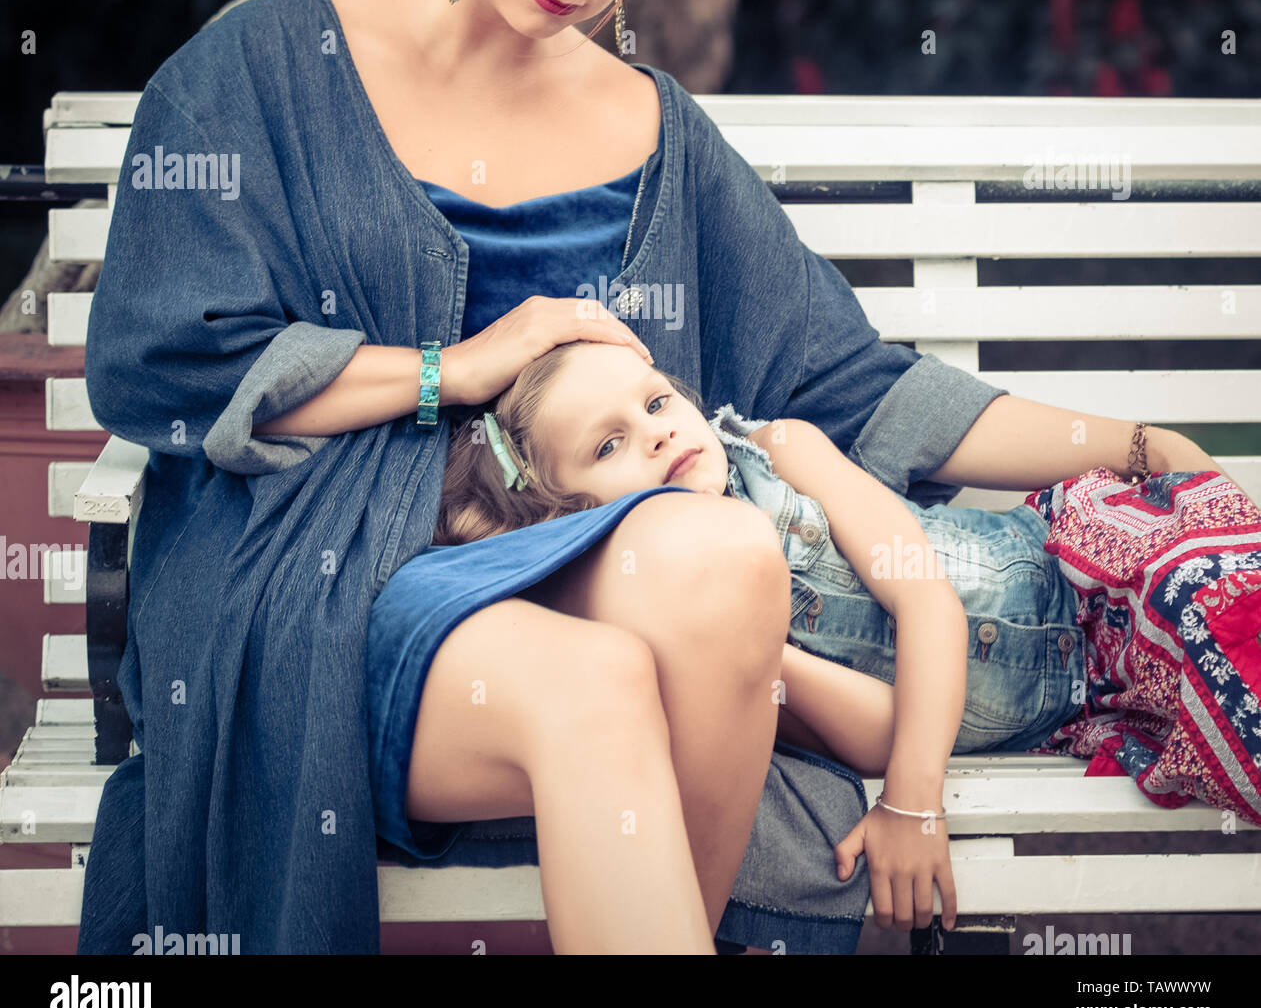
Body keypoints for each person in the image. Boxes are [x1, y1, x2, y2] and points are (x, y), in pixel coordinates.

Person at [78, 0, 1226, 956]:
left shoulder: (656, 128)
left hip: (580, 557)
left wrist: (1128, 444)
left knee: (720, 554)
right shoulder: (259, 73)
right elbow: (167, 361)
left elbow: (844, 381)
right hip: (321, 565)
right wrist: (455, 368)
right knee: (596, 684)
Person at [396, 337, 1090, 938]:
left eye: (657, 402)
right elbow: (884, 730)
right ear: (572, 519)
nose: (657, 432)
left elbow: (925, 597)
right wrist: (754, 652)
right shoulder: (680, 647)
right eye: (609, 445)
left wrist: (910, 805)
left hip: (1079, 571)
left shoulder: (779, 451)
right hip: (1073, 698)